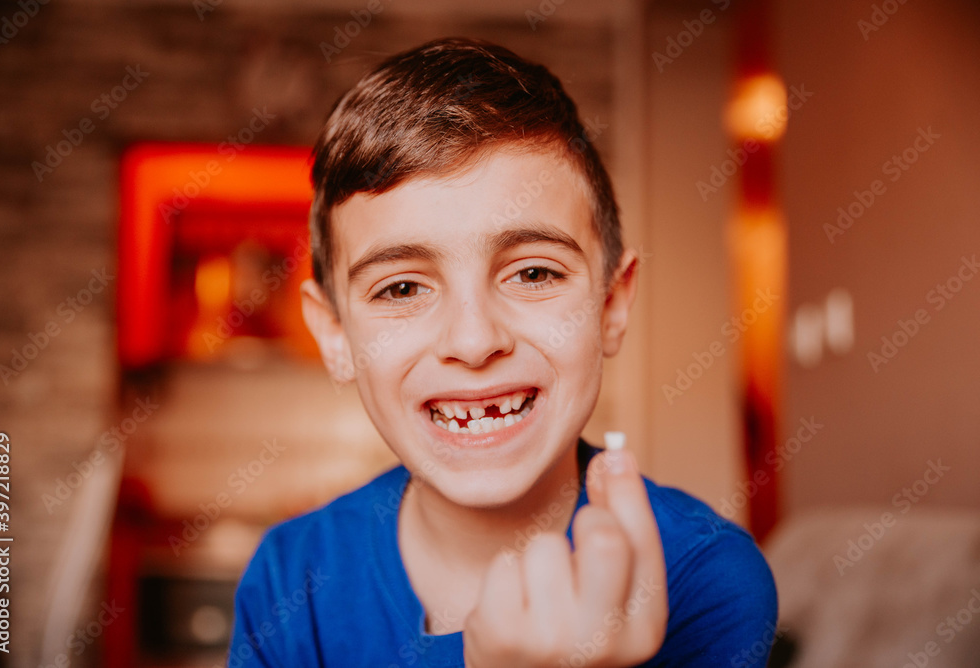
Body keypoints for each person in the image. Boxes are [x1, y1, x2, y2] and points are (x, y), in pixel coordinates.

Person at [229, 37, 777, 667]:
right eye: (402, 287)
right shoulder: (289, 580)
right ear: (335, 337)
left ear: (611, 307)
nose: (473, 340)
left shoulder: (706, 581)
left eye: (534, 274)